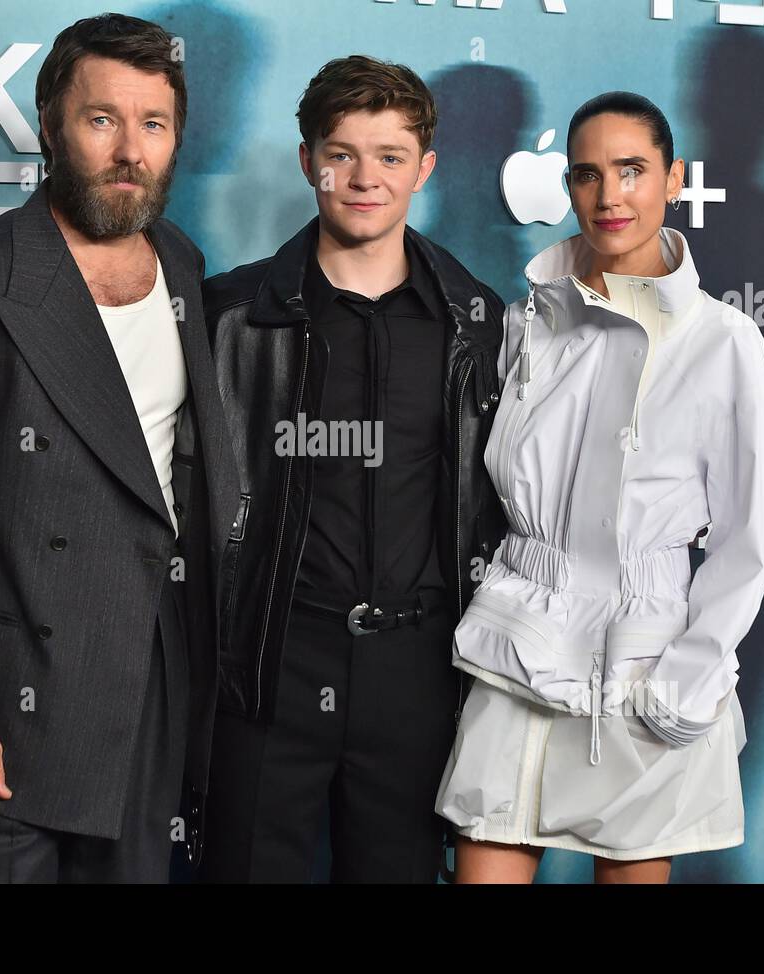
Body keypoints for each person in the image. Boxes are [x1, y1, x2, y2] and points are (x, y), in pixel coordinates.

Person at [0, 13, 237, 883]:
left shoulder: (184, 265)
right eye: (101, 119)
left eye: (152, 125)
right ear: (50, 125)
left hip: (151, 692)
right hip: (7, 713)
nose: (129, 151)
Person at [435, 91, 764, 884]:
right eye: (587, 174)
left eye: (631, 170)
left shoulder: (723, 342)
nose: (609, 195)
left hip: (645, 653)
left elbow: (747, 539)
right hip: (521, 636)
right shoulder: (528, 320)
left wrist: (690, 674)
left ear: (673, 178)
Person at [197, 55, 506, 883]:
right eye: (341, 154)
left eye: (391, 157)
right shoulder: (229, 316)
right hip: (269, 666)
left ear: (425, 169)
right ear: (308, 162)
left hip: (419, 672)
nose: (364, 178)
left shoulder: (479, 323)